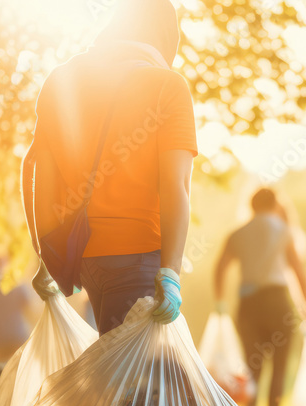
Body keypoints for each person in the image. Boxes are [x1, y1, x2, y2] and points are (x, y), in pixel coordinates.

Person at [21, 0, 196, 335]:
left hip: (85, 259)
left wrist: (45, 255)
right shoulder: (167, 86)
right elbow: (177, 187)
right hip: (138, 256)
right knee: (140, 385)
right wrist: (171, 274)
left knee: (120, 376)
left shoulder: (61, 82)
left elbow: (37, 173)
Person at [213, 188, 306, 406]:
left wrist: (220, 301)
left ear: (252, 205)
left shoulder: (237, 233)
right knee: (279, 363)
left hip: (249, 304)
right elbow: (298, 272)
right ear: (275, 204)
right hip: (278, 302)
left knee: (252, 361)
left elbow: (220, 268)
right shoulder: (285, 231)